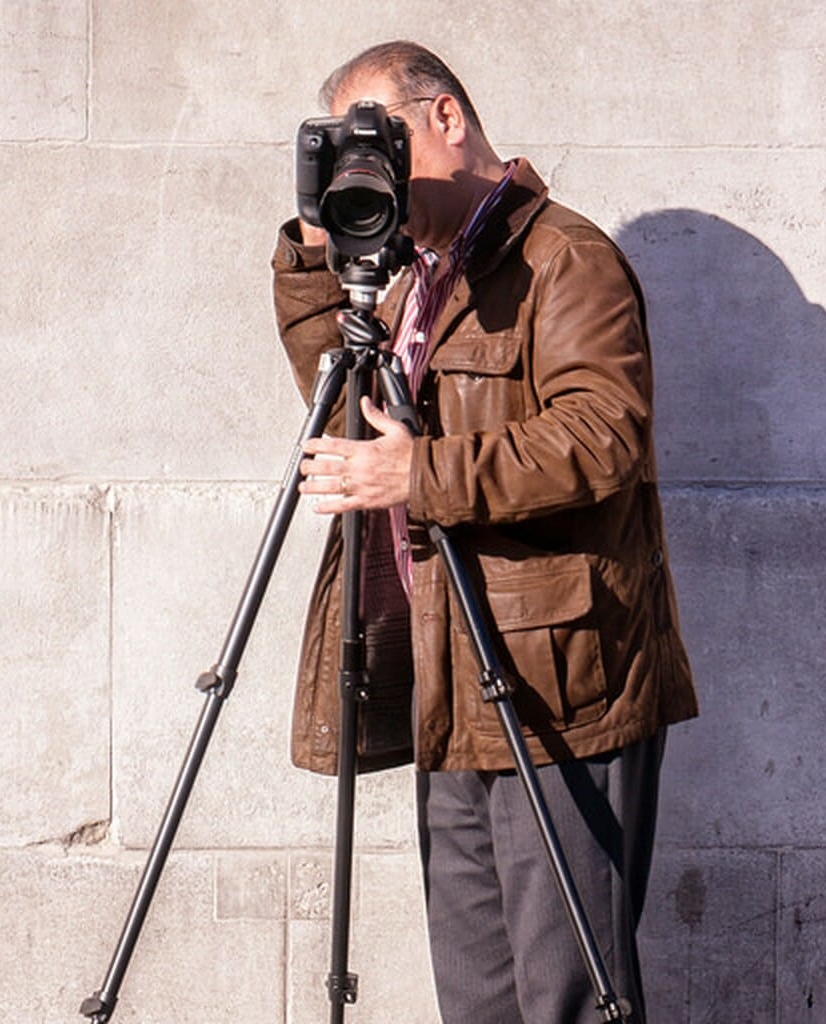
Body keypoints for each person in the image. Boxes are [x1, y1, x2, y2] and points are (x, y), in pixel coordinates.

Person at [271, 40, 698, 1023]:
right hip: (451, 687)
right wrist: (312, 240)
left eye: (379, 139)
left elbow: (601, 437)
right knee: (479, 1003)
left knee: (564, 998)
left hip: (556, 693)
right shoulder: (415, 277)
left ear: (445, 119)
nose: (365, 168)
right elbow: (341, 400)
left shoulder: (563, 258)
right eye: (344, 150)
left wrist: (414, 474)